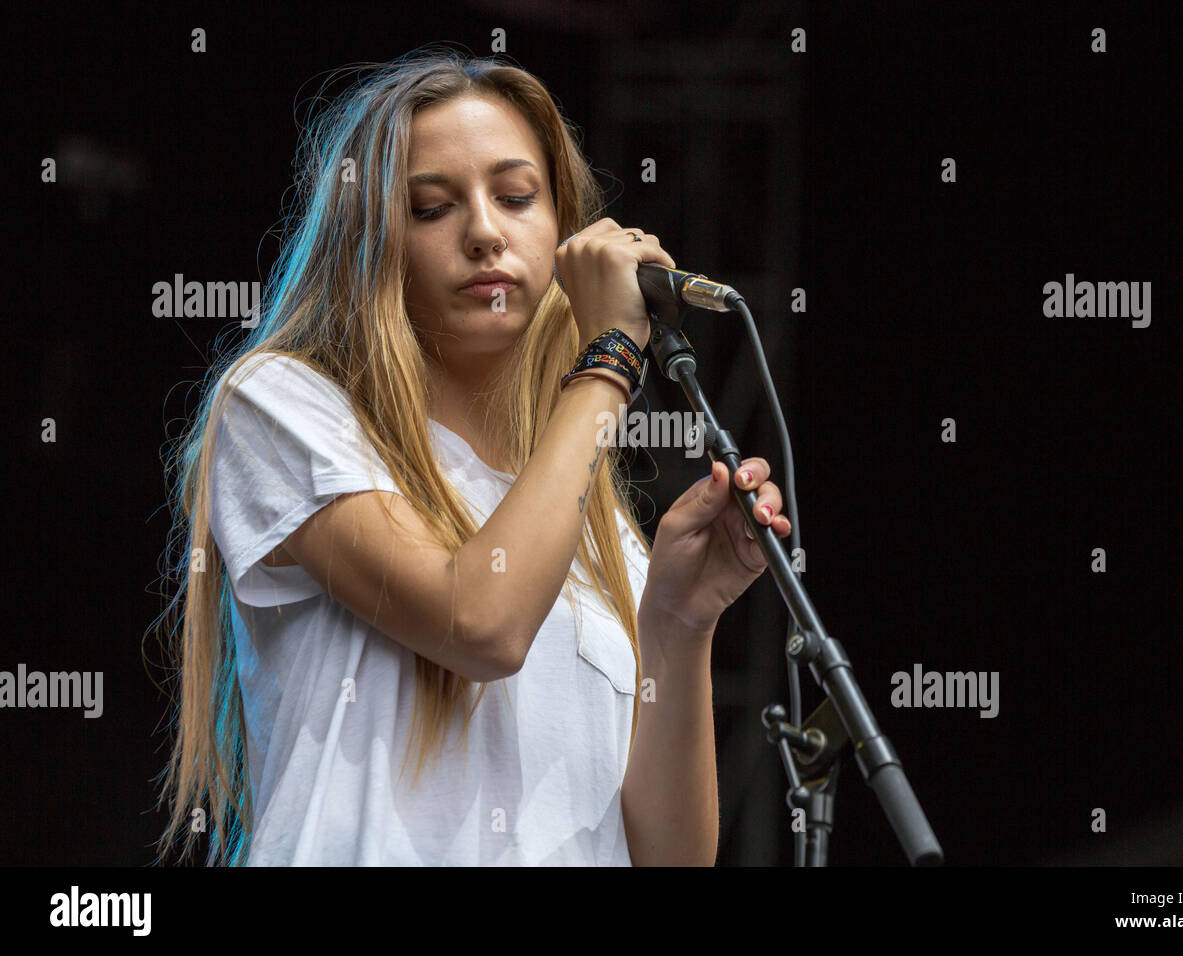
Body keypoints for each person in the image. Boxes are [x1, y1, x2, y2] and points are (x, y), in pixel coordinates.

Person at [150, 47, 791, 866]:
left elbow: (672, 857)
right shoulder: (283, 406)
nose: (486, 232)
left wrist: (678, 622)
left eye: (517, 197)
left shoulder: (594, 531)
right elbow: (481, 622)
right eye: (430, 209)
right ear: (372, 246)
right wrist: (609, 364)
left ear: (561, 227)